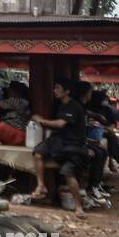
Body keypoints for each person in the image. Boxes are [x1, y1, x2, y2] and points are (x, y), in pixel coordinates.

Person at [29, 78, 88, 217]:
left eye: (58, 88)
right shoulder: (60, 104)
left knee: (68, 172)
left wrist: (41, 120)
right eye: (54, 88)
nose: (54, 90)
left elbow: (60, 124)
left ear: (67, 91)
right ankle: (41, 185)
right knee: (38, 153)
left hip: (72, 144)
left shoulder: (74, 106)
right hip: (58, 140)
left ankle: (79, 207)